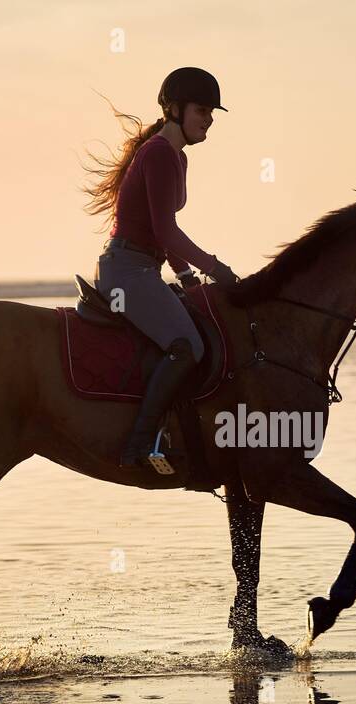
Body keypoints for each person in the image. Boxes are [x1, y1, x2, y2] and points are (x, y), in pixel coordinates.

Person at [82, 67, 240, 468]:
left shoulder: (176, 157)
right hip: (127, 271)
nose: (208, 120)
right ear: (173, 109)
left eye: (211, 113)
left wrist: (186, 276)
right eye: (202, 110)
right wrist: (215, 269)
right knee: (188, 347)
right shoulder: (157, 153)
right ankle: (138, 446)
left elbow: (161, 230)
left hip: (142, 269)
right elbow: (166, 230)